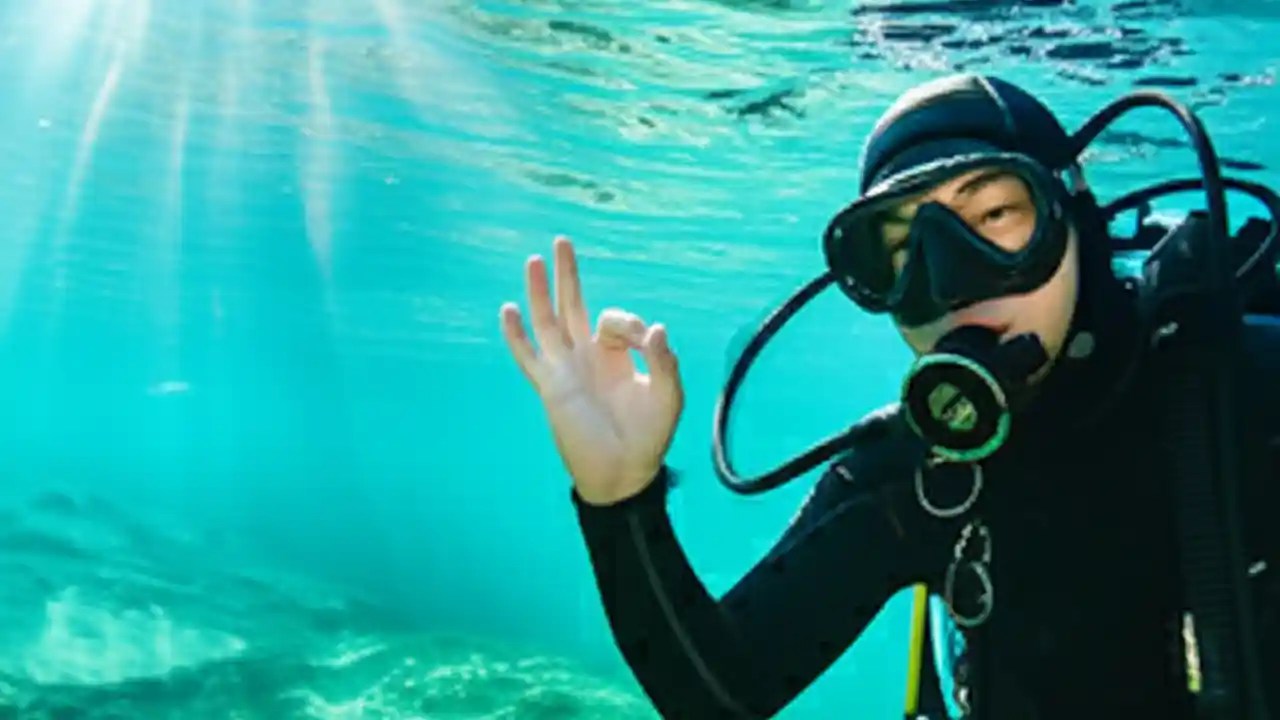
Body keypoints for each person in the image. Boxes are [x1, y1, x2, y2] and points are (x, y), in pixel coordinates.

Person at [497, 73, 1280, 719]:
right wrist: (619, 501)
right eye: (903, 246)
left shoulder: (1244, 389)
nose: (953, 281)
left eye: (996, 214)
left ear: (1073, 220)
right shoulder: (921, 474)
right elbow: (719, 694)